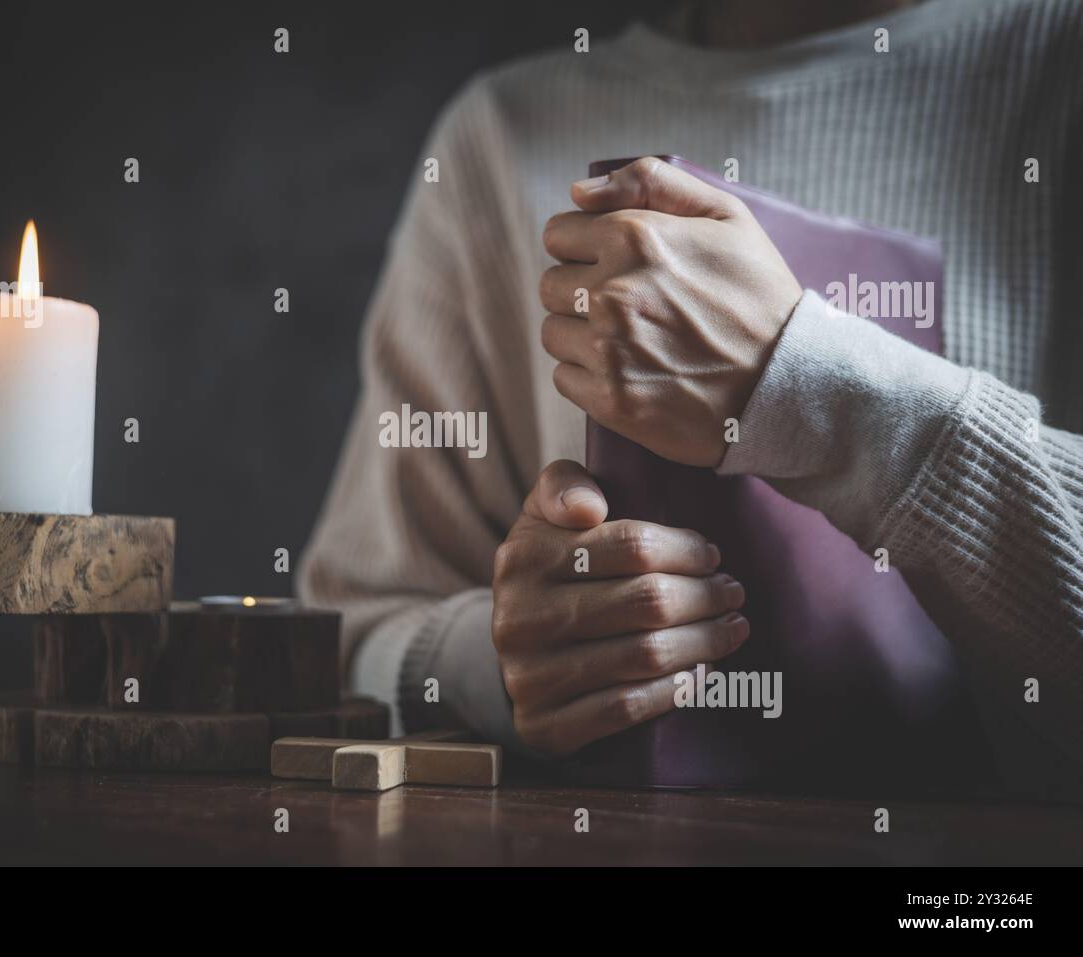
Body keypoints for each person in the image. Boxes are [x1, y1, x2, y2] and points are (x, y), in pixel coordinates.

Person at [299, 0, 1083, 788]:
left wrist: (802, 378)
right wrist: (506, 660)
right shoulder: (501, 134)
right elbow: (355, 637)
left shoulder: (1060, 68)